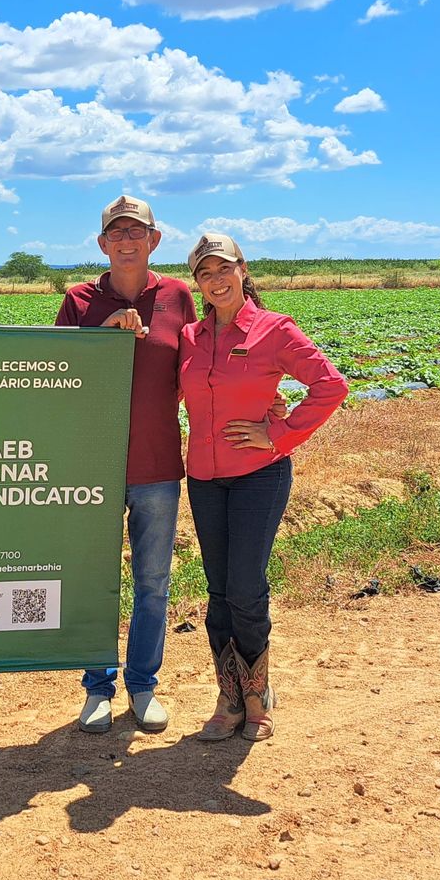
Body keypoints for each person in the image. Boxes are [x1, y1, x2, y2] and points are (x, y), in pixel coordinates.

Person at [179, 232, 348, 742]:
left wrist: (278, 432)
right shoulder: (191, 337)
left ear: (242, 269)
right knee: (218, 592)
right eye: (204, 274)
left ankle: (258, 695)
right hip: (205, 478)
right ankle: (228, 698)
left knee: (246, 588)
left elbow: (331, 386)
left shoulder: (274, 330)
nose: (215, 281)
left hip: (259, 475)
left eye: (223, 269)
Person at [54, 195, 200, 734]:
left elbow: (202, 363)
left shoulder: (179, 296)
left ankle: (142, 685)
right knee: (93, 578)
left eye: (136, 232)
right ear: (102, 244)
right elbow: (54, 374)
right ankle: (97, 687)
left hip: (158, 464)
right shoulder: (78, 300)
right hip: (91, 464)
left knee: (153, 581)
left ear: (154, 241)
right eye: (116, 233)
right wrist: (100, 336)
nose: (126, 240)